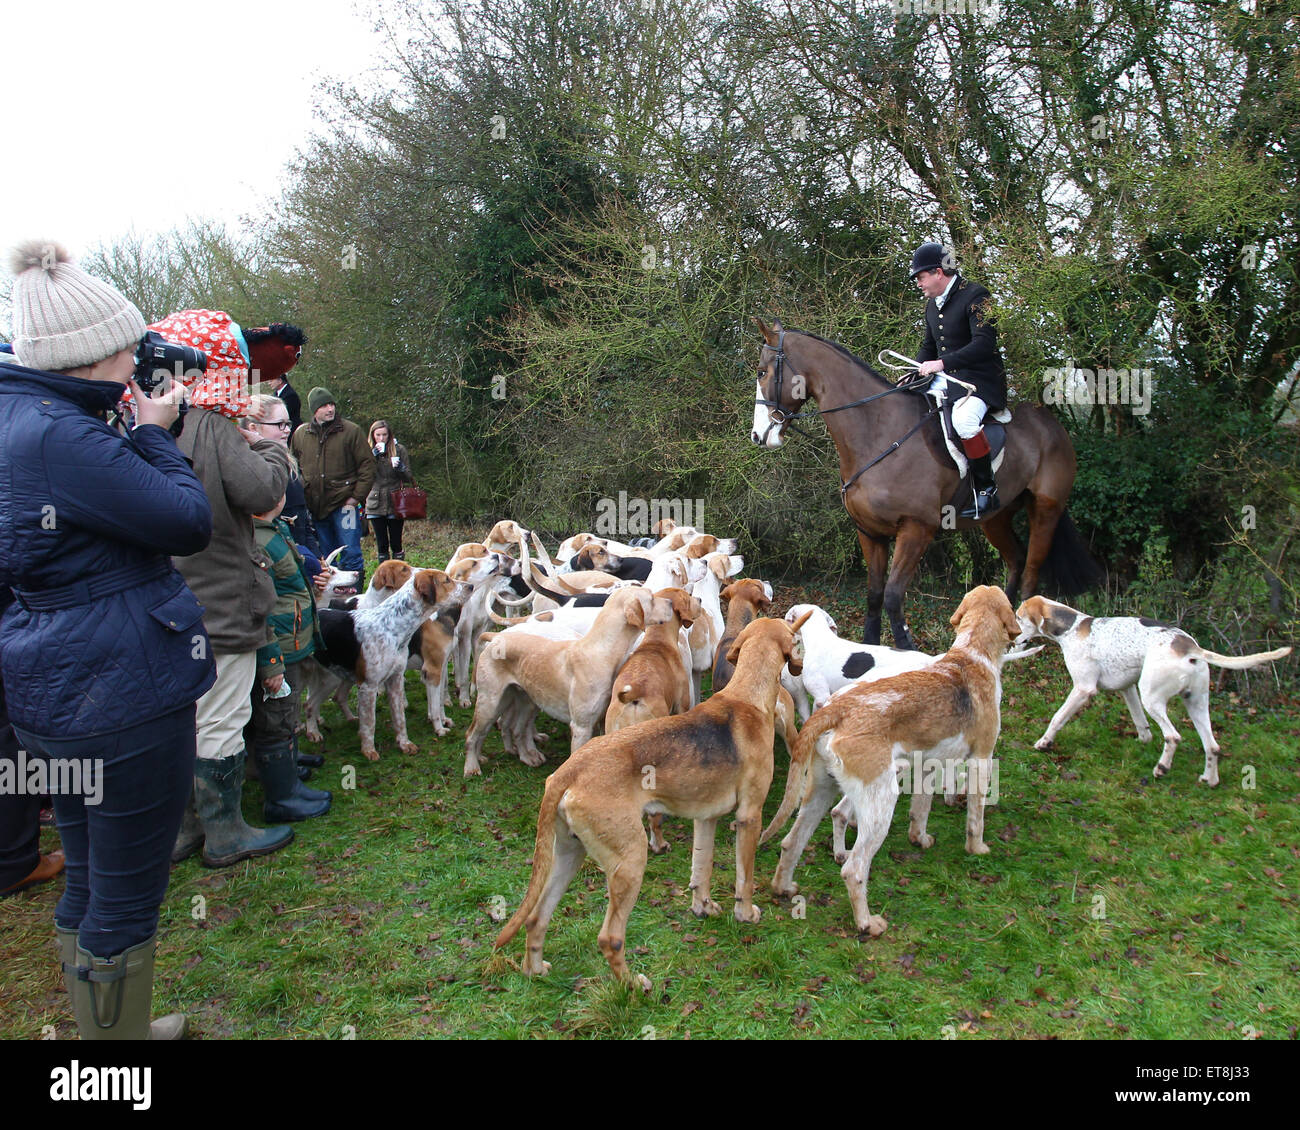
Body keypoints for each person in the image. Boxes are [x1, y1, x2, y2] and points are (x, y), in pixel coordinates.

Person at [0, 241, 216, 1038]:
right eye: (128, 344)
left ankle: (105, 1039)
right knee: (126, 888)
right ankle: (113, 1066)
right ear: (93, 354)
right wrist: (156, 431)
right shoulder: (62, 437)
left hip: (51, 682)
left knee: (92, 873)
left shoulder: (19, 417)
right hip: (117, 692)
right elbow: (185, 521)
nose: (139, 356)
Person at [154, 309, 296, 869]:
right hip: (219, 600)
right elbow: (261, 491)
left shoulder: (147, 419)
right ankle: (225, 831)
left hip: (168, 604)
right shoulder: (209, 422)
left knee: (183, 715)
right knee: (221, 715)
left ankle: (183, 829)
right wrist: (270, 448)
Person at [246, 493, 332, 821]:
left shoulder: (275, 528)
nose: (286, 494)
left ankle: (286, 770)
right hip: (280, 641)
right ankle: (281, 796)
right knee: (277, 717)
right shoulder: (259, 539)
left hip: (290, 636)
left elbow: (287, 581)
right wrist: (270, 658)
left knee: (286, 709)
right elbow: (260, 603)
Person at [910, 241, 1008, 518]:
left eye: (920, 276)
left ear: (938, 272)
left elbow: (984, 345)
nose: (918, 283)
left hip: (980, 382)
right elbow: (929, 347)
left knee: (964, 421)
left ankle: (986, 491)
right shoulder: (932, 305)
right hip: (947, 380)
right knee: (907, 403)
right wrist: (915, 371)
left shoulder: (977, 295)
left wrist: (941, 363)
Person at [291, 387, 374, 591]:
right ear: (314, 410)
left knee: (351, 552)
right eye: (324, 405)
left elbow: (368, 466)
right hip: (316, 507)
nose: (330, 409)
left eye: (332, 404)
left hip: (345, 505)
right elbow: (293, 464)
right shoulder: (301, 434)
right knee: (327, 556)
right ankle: (334, 596)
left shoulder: (351, 431)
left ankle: (354, 597)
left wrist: (356, 498)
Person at [245, 393, 321, 560]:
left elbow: (303, 522)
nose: (287, 430)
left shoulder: (290, 465)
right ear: (253, 428)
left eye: (288, 424)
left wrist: (316, 561)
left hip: (301, 556)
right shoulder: (248, 470)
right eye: (279, 424)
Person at [364, 419, 415, 561]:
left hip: (395, 501)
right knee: (381, 545)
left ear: (389, 435)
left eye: (384, 435)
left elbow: (408, 477)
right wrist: (372, 457)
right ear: (373, 435)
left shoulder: (399, 449)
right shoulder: (366, 451)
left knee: (396, 543)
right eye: (378, 435)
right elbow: (363, 475)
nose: (381, 438)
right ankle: (384, 576)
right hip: (375, 502)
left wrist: (400, 468)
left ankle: (399, 574)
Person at [245, 323, 306, 431]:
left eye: (272, 379)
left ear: (279, 379)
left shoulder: (290, 395)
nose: (269, 382)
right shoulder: (250, 365)